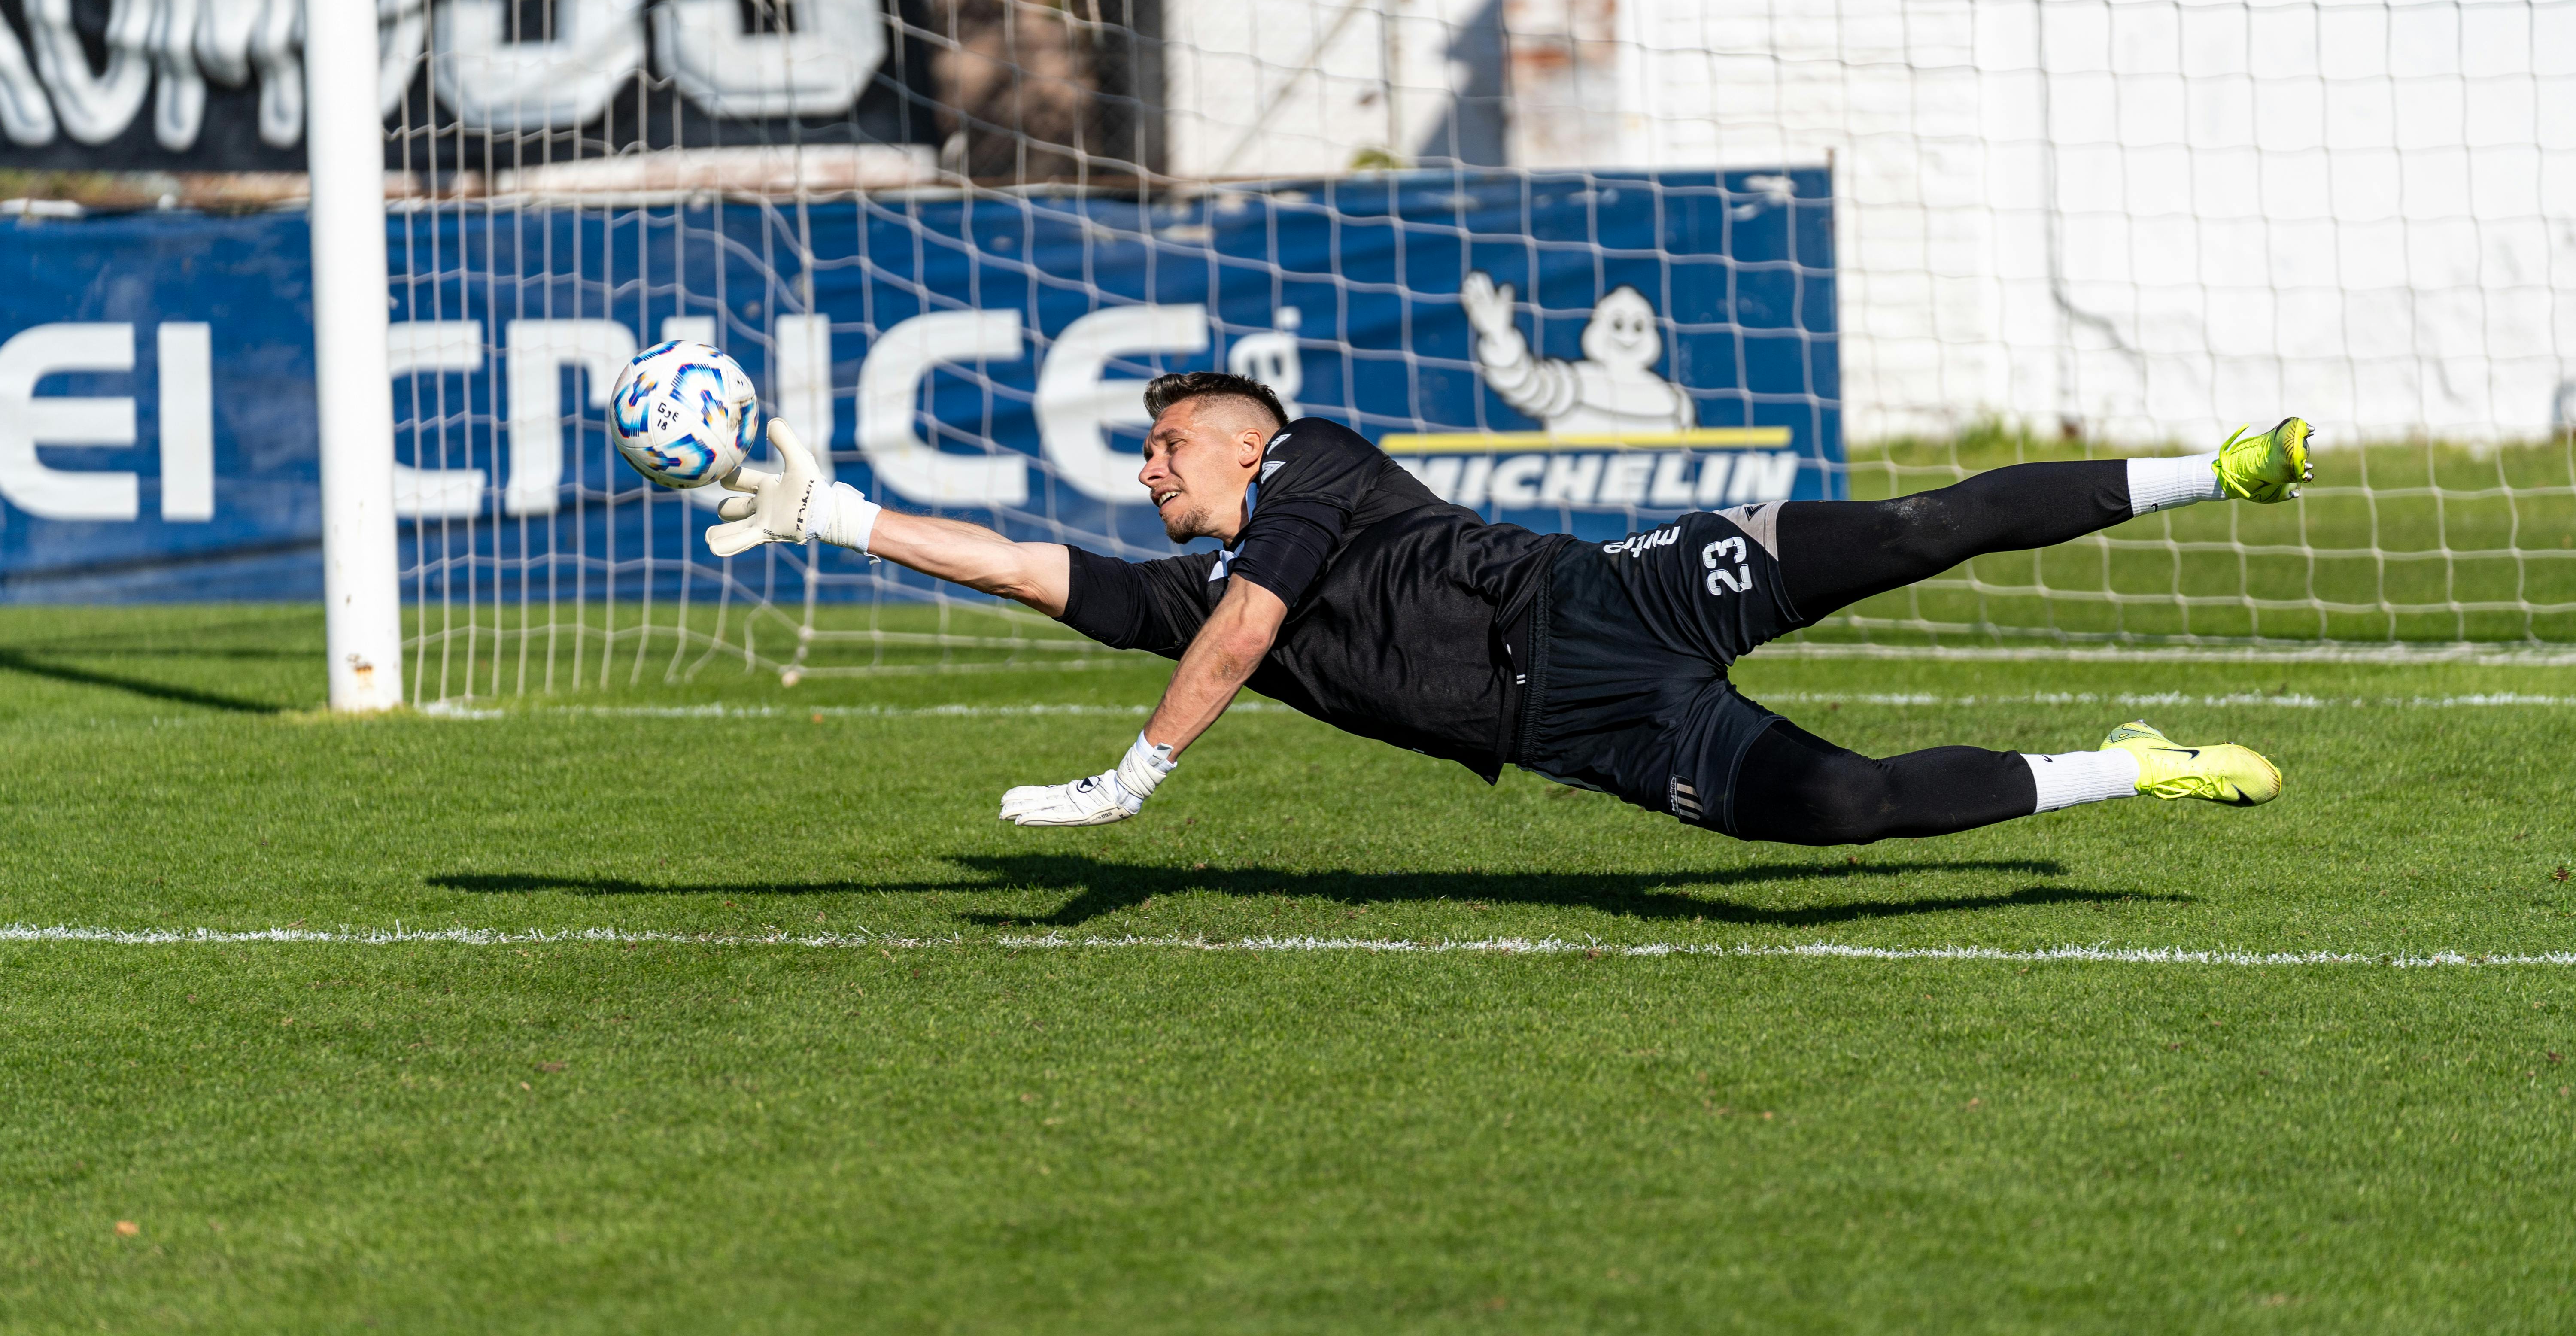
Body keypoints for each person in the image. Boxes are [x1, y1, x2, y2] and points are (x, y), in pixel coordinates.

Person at [707, 373, 2310, 841]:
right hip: (1594, 730)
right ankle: (2132, 764)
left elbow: (1249, 630)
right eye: (1140, 449)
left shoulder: (1312, 468)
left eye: (1167, 441)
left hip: (1621, 594)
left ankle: (2212, 466)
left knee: (1913, 525)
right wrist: (831, 514)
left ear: (1250, 440)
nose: (1145, 466)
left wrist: (1140, 775)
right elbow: (1016, 562)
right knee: (1850, 806)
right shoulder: (1183, 585)